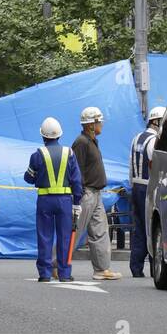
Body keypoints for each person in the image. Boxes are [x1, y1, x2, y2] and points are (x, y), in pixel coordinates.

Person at [24, 117, 83, 284]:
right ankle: (64, 274)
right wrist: (77, 203)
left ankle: (45, 273)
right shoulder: (69, 153)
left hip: (45, 200)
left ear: (43, 136)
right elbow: (77, 181)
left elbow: (28, 177)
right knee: (64, 237)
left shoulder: (37, 155)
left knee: (44, 236)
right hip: (65, 200)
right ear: (59, 135)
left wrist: (37, 177)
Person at [72, 106, 121, 282]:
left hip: (96, 193)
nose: (101, 125)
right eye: (99, 121)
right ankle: (55, 264)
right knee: (75, 231)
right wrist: (79, 194)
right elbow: (76, 170)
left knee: (100, 231)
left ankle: (101, 269)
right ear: (91, 125)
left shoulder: (91, 141)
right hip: (86, 193)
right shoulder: (81, 142)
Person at [129, 105, 166, 278]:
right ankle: (153, 267)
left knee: (138, 229)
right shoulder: (153, 141)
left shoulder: (137, 138)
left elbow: (131, 164)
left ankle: (136, 267)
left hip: (136, 185)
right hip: (147, 186)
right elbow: (154, 165)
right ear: (156, 121)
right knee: (150, 227)